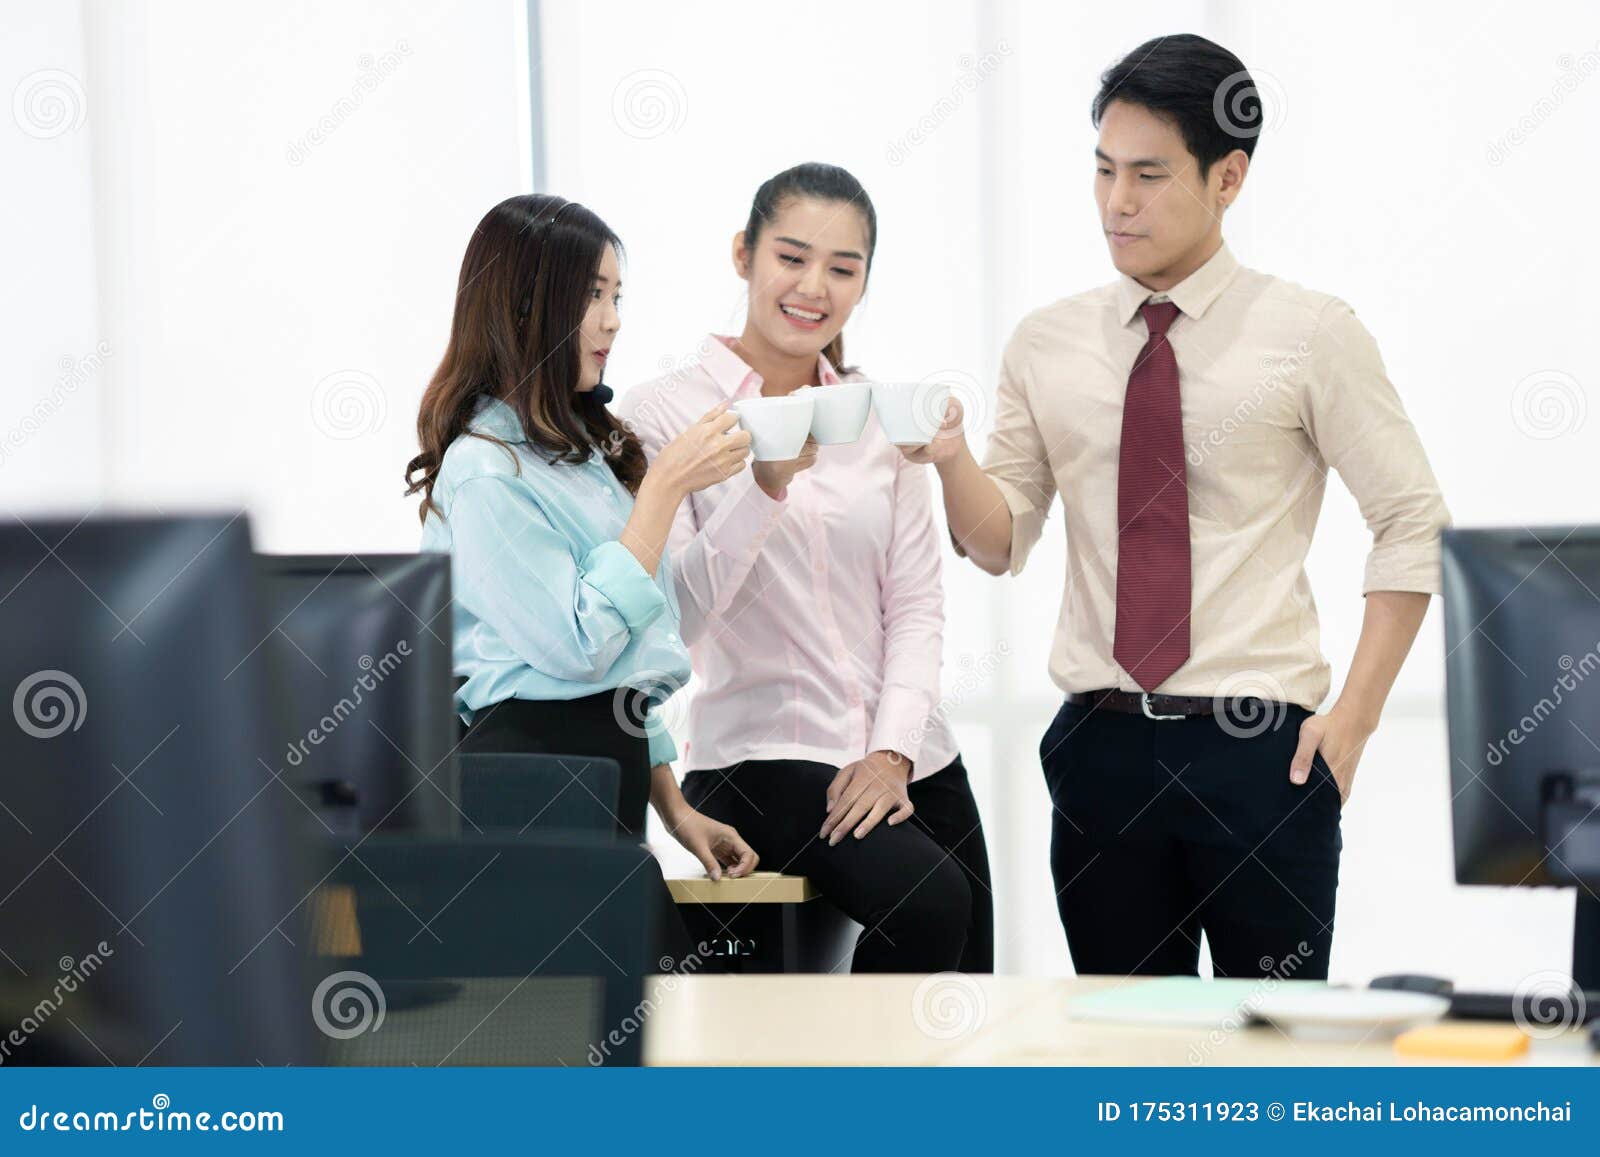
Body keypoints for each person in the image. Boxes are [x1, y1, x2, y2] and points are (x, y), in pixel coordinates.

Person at [904, 36, 1449, 979]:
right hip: (1102, 749)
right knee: (1124, 1057)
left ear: (1228, 176)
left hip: (1260, 755)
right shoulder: (1047, 343)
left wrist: (1351, 723)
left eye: (1149, 175)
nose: (1118, 202)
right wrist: (951, 460)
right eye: (1105, 171)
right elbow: (1000, 543)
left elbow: (1414, 523)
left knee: (1274, 1063)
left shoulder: (1312, 334)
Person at [621, 164, 993, 974]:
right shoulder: (663, 416)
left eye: (843, 267)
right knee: (932, 902)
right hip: (762, 751)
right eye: (791, 257)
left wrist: (892, 751)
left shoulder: (881, 416)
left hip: (908, 749)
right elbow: (669, 624)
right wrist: (762, 490)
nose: (813, 287)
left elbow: (920, 605)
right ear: (743, 255)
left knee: (970, 971)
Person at [405, 193, 759, 890]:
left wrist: (677, 807)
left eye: (617, 295)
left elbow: (631, 653)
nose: (613, 320)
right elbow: (578, 645)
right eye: (592, 295)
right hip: (534, 778)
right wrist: (663, 492)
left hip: (601, 766)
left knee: (642, 988)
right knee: (624, 987)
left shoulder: (579, 457)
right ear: (523, 307)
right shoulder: (485, 470)